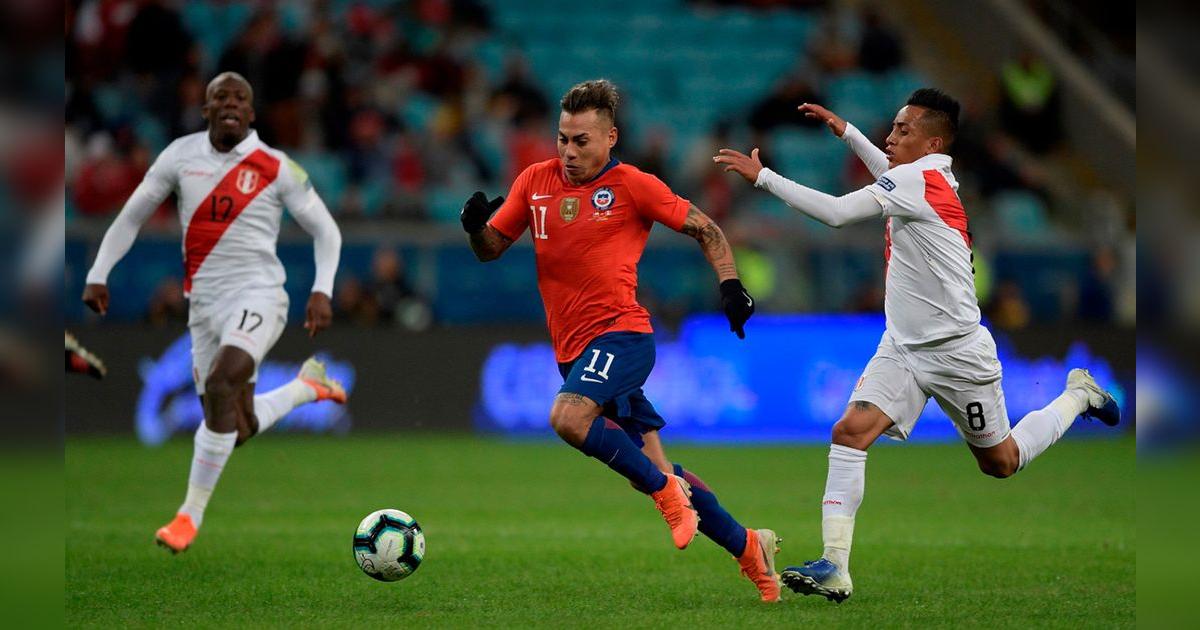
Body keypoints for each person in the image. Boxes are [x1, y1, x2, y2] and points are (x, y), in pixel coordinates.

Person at [714, 88, 1120, 603]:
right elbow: (887, 163)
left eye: (902, 129)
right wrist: (848, 133)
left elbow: (838, 213)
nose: (890, 135)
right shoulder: (924, 175)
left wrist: (764, 178)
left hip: (958, 353)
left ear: (931, 141)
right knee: (850, 431)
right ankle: (834, 566)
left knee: (1001, 461)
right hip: (903, 347)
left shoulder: (915, 179)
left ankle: (1078, 395)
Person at [460, 79, 780, 602]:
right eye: (563, 138)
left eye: (581, 141)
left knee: (568, 417)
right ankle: (749, 547)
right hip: (576, 353)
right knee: (653, 466)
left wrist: (730, 285)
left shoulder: (633, 185)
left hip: (624, 336)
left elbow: (707, 229)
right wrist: (476, 228)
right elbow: (491, 248)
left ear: (611, 137)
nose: (568, 151)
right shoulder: (535, 182)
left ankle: (666, 494)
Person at [82, 72, 347, 554]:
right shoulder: (180, 156)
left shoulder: (276, 166)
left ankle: (188, 516)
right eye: (219, 96)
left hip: (259, 295)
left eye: (240, 97)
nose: (229, 103)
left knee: (224, 383)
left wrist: (321, 290)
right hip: (202, 306)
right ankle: (306, 388)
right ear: (205, 110)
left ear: (251, 112)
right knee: (233, 425)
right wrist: (99, 272)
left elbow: (327, 232)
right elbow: (133, 215)